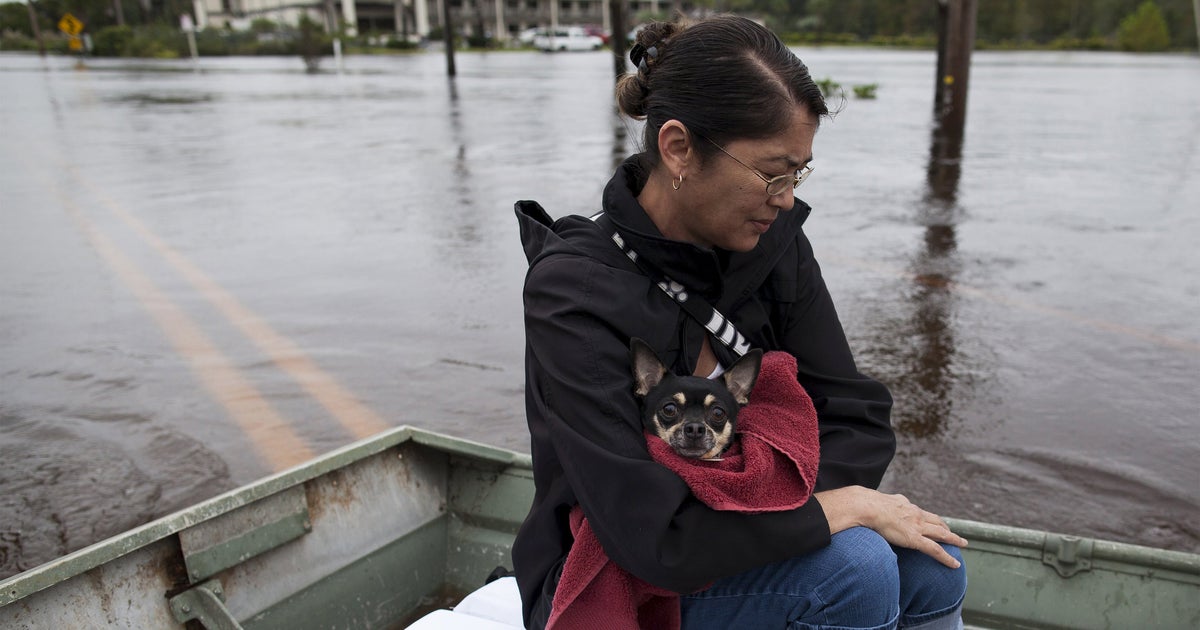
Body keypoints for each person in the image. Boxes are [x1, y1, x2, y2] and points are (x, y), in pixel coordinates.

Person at [513, 14, 967, 630]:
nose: (785, 198)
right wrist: (823, 511)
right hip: (617, 573)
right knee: (856, 567)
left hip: (731, 533)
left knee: (934, 563)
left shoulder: (772, 247)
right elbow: (652, 536)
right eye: (772, 172)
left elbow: (854, 414)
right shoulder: (573, 293)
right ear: (678, 147)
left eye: (798, 173)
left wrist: (778, 497)